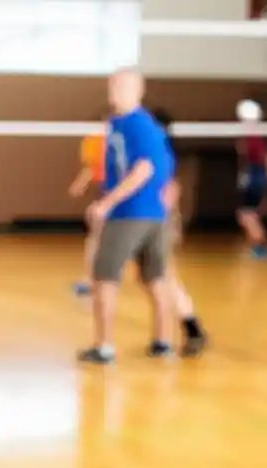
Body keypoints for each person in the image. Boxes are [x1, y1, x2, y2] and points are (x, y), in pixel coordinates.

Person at [79, 69, 176, 365]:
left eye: (122, 85)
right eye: (112, 84)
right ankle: (162, 342)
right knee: (153, 279)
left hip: (131, 214)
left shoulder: (140, 125)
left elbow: (144, 170)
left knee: (104, 279)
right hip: (150, 213)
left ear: (138, 90)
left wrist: (107, 203)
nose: (114, 90)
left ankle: (104, 346)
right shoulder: (117, 125)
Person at [152, 107, 208, 357]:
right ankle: (172, 334)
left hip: (159, 223)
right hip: (151, 222)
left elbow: (171, 190)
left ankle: (192, 329)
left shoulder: (161, 153)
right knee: (158, 280)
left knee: (166, 279)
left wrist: (159, 220)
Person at [235, 102, 267, 259]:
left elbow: (265, 158)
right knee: (246, 215)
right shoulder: (251, 135)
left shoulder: (254, 136)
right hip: (252, 176)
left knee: (247, 214)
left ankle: (260, 247)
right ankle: (256, 246)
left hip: (255, 176)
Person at [69, 116, 107, 295]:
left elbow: (90, 168)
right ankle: (95, 279)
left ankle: (94, 280)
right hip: (108, 193)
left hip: (115, 195)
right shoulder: (96, 141)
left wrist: (80, 184)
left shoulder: (100, 140)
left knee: (96, 238)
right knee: (96, 237)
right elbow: (92, 168)